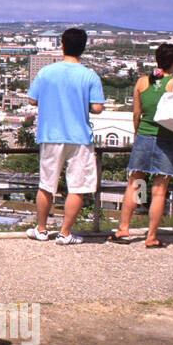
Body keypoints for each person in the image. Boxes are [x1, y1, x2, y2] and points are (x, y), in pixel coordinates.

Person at [110, 43, 173, 247]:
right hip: (167, 139)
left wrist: (138, 133)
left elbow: (136, 113)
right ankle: (151, 236)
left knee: (136, 183)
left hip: (144, 137)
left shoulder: (142, 82)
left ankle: (124, 228)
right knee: (159, 190)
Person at [26, 27, 104, 245]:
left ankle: (41, 229)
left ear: (61, 45)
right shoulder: (89, 75)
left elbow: (32, 100)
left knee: (46, 184)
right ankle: (65, 233)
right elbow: (97, 107)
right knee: (78, 186)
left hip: (50, 134)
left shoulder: (46, 72)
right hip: (79, 137)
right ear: (84, 48)